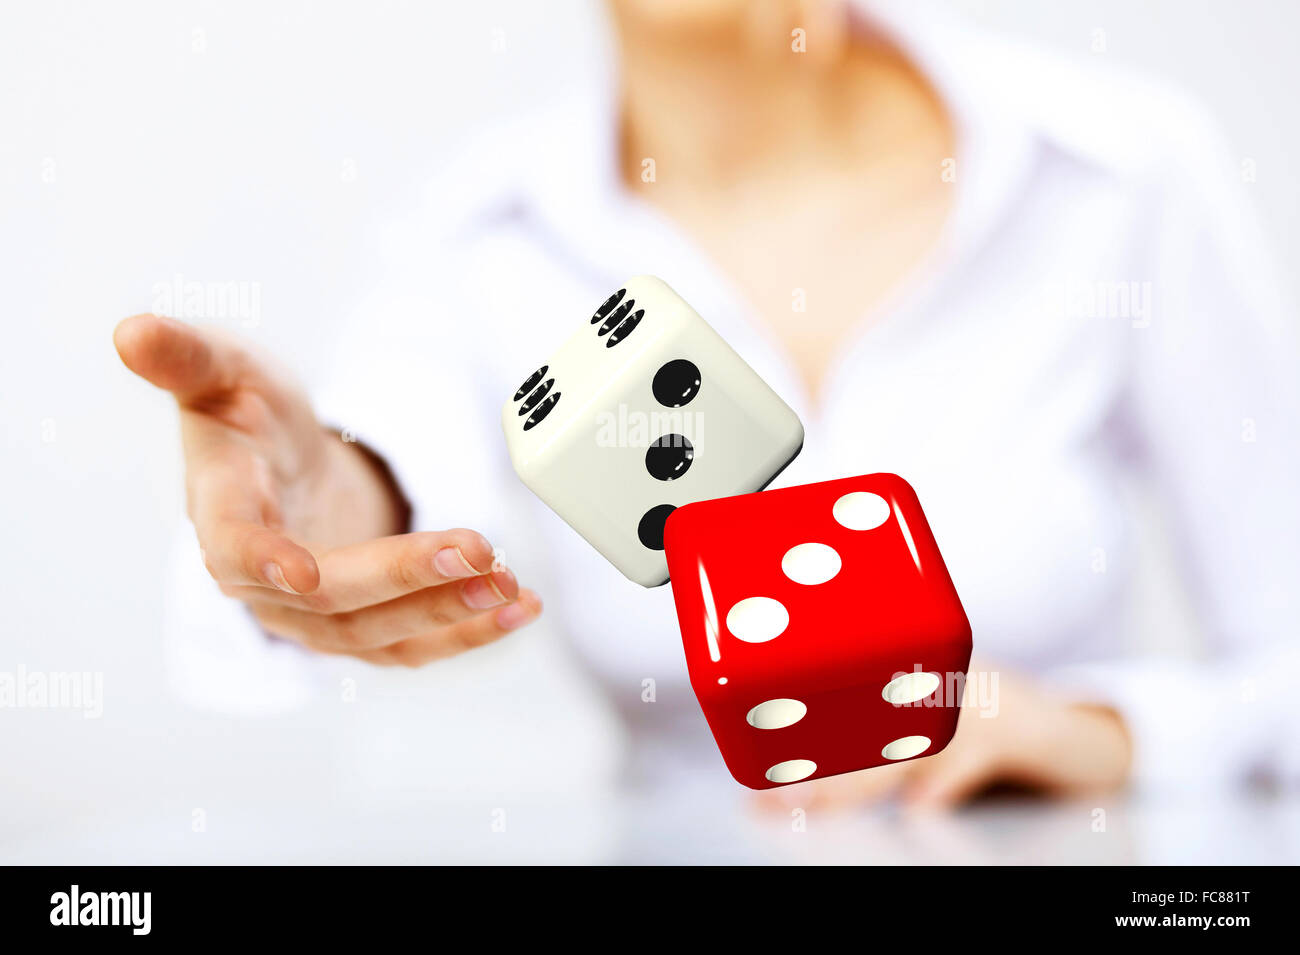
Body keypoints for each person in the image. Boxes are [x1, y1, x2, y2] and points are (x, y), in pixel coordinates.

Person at [113, 0, 1300, 811]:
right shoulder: (476, 240)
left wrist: (1111, 731)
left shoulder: (1119, 172)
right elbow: (378, 478)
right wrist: (324, 501)